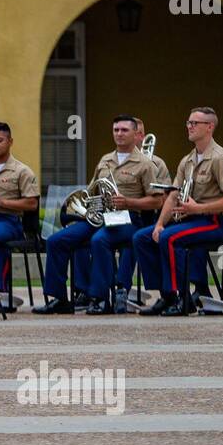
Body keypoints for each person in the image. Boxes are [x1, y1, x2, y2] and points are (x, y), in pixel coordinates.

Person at [33, 115, 162, 315]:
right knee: (56, 240)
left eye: (124, 130)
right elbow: (92, 191)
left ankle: (100, 299)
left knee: (100, 240)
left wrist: (129, 202)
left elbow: (157, 200)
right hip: (101, 217)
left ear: (135, 133)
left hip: (128, 220)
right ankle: (59, 298)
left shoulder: (146, 164)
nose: (119, 134)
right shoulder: (105, 160)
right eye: (116, 130)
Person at [133, 107, 223, 316]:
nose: (189, 127)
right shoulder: (188, 160)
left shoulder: (220, 158)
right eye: (188, 123)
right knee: (142, 238)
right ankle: (167, 295)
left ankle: (184, 299)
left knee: (170, 239)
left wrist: (198, 208)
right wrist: (160, 223)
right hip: (192, 219)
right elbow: (173, 195)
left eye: (194, 123)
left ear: (209, 127)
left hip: (215, 221)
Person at [0, 122, 39, 312]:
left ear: (10, 142)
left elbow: (32, 204)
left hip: (8, 220)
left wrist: (4, 203)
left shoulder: (22, 171)